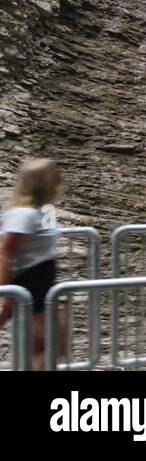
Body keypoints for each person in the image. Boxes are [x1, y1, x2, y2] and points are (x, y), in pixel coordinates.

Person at [0, 159, 65, 370]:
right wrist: (6, 294)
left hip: (41, 282)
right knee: (40, 346)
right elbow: (6, 253)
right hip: (30, 282)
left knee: (47, 344)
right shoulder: (23, 215)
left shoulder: (42, 211)